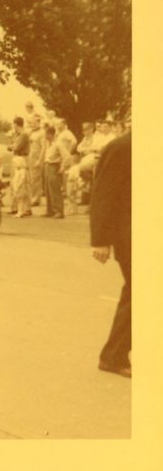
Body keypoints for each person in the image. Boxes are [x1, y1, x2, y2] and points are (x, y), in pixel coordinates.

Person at [91, 124, 131, 378]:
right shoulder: (121, 147)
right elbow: (103, 194)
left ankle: (114, 354)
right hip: (128, 233)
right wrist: (101, 240)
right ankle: (112, 355)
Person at [41, 126, 71, 219]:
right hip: (47, 166)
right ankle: (50, 210)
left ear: (50, 134)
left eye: (46, 134)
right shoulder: (47, 143)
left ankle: (59, 211)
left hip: (54, 166)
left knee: (55, 189)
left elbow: (67, 156)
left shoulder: (58, 144)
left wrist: (63, 167)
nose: (45, 136)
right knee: (47, 189)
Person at [8, 117, 32, 216]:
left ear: (17, 124)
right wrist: (12, 146)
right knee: (15, 183)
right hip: (17, 159)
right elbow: (11, 147)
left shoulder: (23, 135)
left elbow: (16, 148)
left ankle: (26, 209)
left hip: (22, 158)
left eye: (14, 124)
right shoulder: (17, 135)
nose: (13, 126)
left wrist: (12, 146)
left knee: (23, 184)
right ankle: (16, 208)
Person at [27, 115, 46, 206]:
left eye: (35, 123)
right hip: (30, 157)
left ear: (39, 122)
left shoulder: (42, 133)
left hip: (37, 157)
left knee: (36, 179)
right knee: (31, 178)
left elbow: (43, 147)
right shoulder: (31, 132)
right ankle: (32, 197)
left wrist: (40, 159)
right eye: (31, 123)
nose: (33, 125)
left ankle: (36, 199)